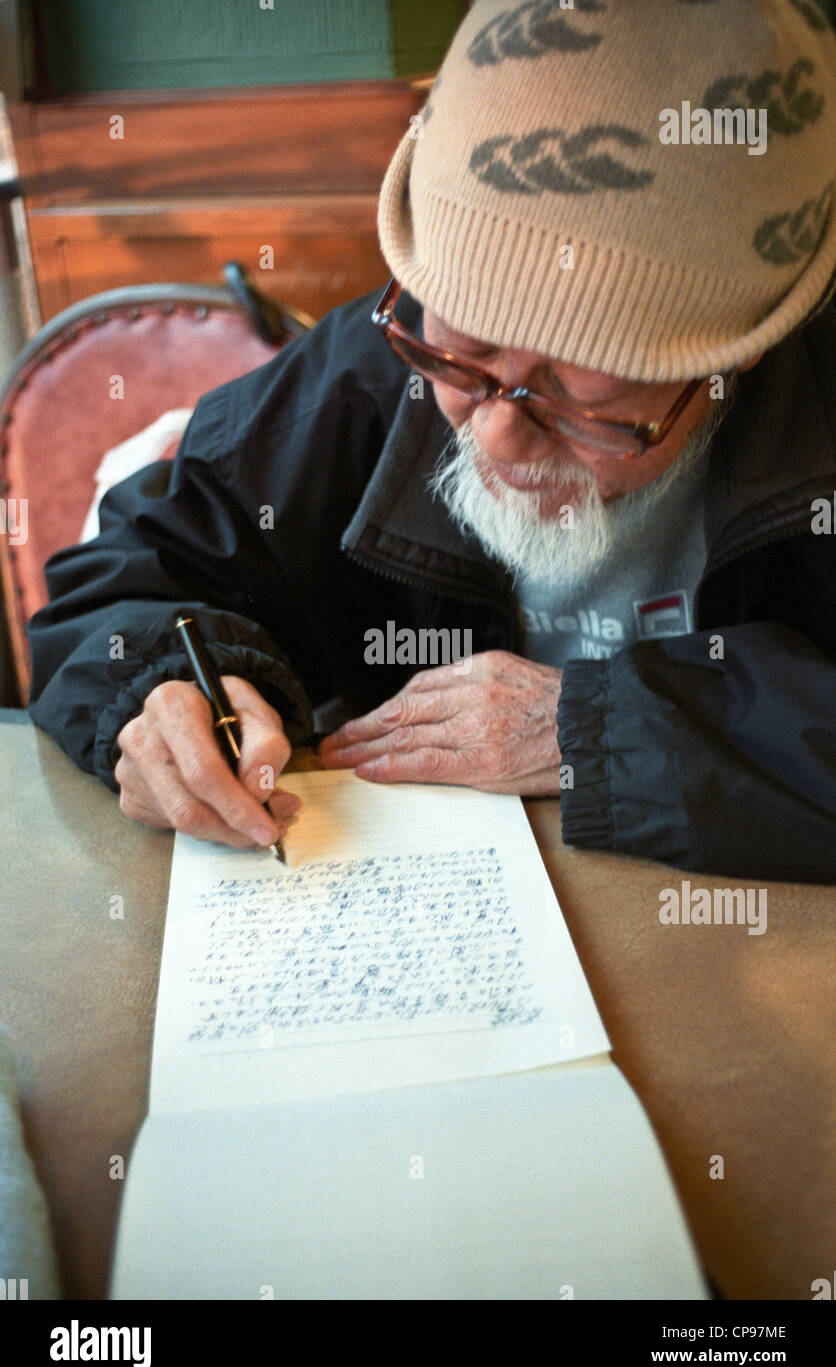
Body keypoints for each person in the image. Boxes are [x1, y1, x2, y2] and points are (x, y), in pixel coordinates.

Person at [27, 0, 836, 881]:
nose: (499, 433)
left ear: (747, 349)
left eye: (583, 395)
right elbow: (120, 588)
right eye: (464, 354)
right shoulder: (373, 368)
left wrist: (601, 732)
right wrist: (159, 693)